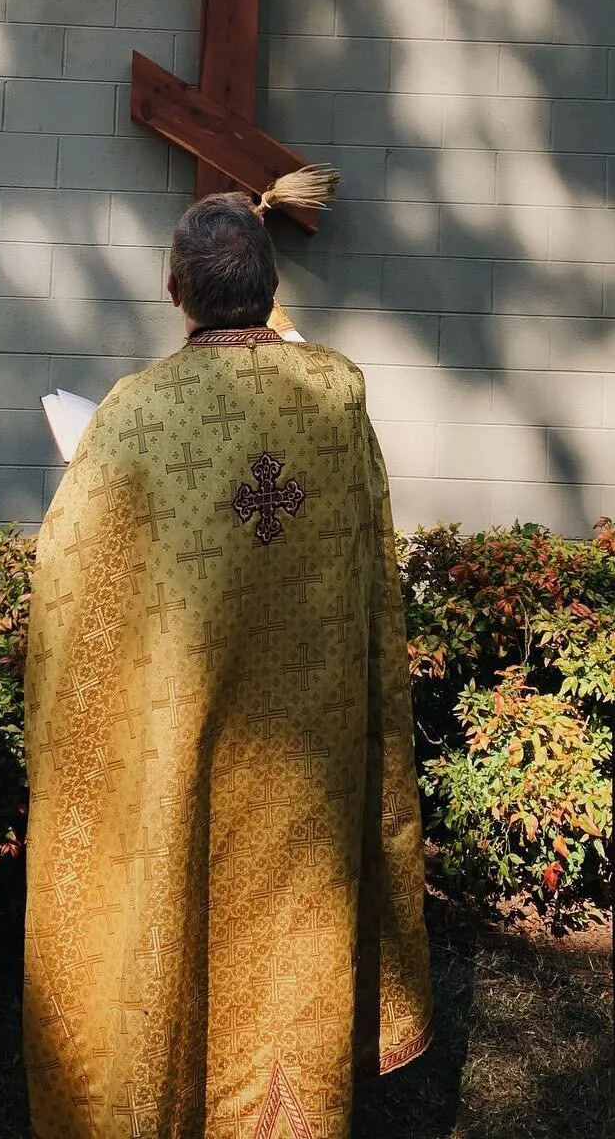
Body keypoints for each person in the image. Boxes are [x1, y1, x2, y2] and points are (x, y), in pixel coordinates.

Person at [23, 173, 432, 1139]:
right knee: (293, 913)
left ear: (174, 295)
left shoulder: (137, 413)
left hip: (189, 731)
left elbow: (73, 581)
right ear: (270, 280)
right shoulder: (334, 395)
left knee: (183, 900)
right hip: (310, 735)